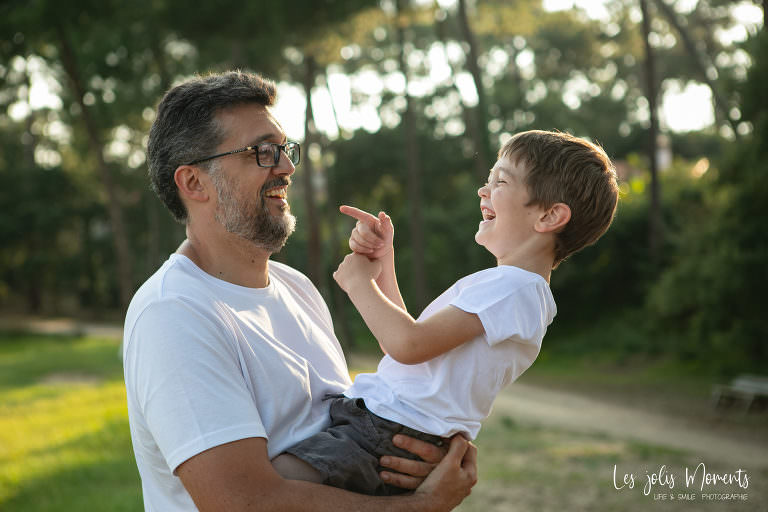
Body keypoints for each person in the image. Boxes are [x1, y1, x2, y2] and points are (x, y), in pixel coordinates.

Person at [122, 70, 477, 512]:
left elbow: (342, 441)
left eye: (285, 150)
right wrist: (421, 507)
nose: (287, 167)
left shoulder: (298, 288)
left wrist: (429, 449)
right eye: (263, 152)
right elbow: (245, 502)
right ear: (194, 183)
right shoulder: (173, 315)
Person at [273, 130, 620, 495]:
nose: (482, 191)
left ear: (549, 216)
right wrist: (383, 262)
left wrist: (359, 284)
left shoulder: (512, 289)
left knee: (272, 484)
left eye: (500, 181)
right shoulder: (515, 289)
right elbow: (410, 346)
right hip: (388, 426)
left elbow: (408, 345)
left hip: (387, 432)